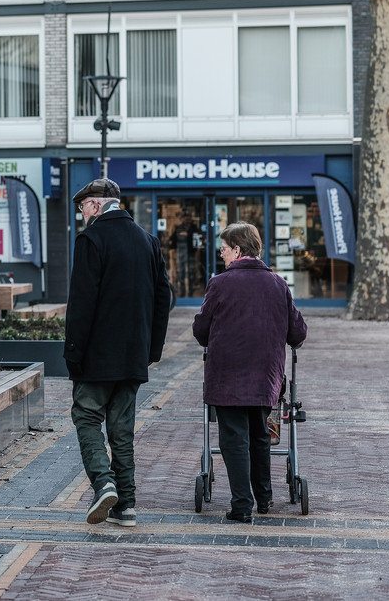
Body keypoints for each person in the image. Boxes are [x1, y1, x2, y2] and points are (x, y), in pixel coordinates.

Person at [65, 178, 172, 528]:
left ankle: (103, 482)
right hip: (133, 356)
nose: (82, 214)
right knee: (122, 431)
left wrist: (73, 352)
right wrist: (152, 348)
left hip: (97, 356)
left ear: (97, 204)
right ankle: (126, 506)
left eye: (83, 207)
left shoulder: (92, 239)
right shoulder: (148, 240)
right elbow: (163, 297)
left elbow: (81, 303)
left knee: (86, 416)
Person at [193, 222, 307, 524]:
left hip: (227, 376)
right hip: (266, 377)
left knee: (233, 438)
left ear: (238, 249)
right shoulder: (278, 284)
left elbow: (201, 330)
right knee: (259, 435)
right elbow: (298, 332)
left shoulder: (219, 284)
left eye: (224, 249)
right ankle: (264, 497)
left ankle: (242, 504)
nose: (221, 254)